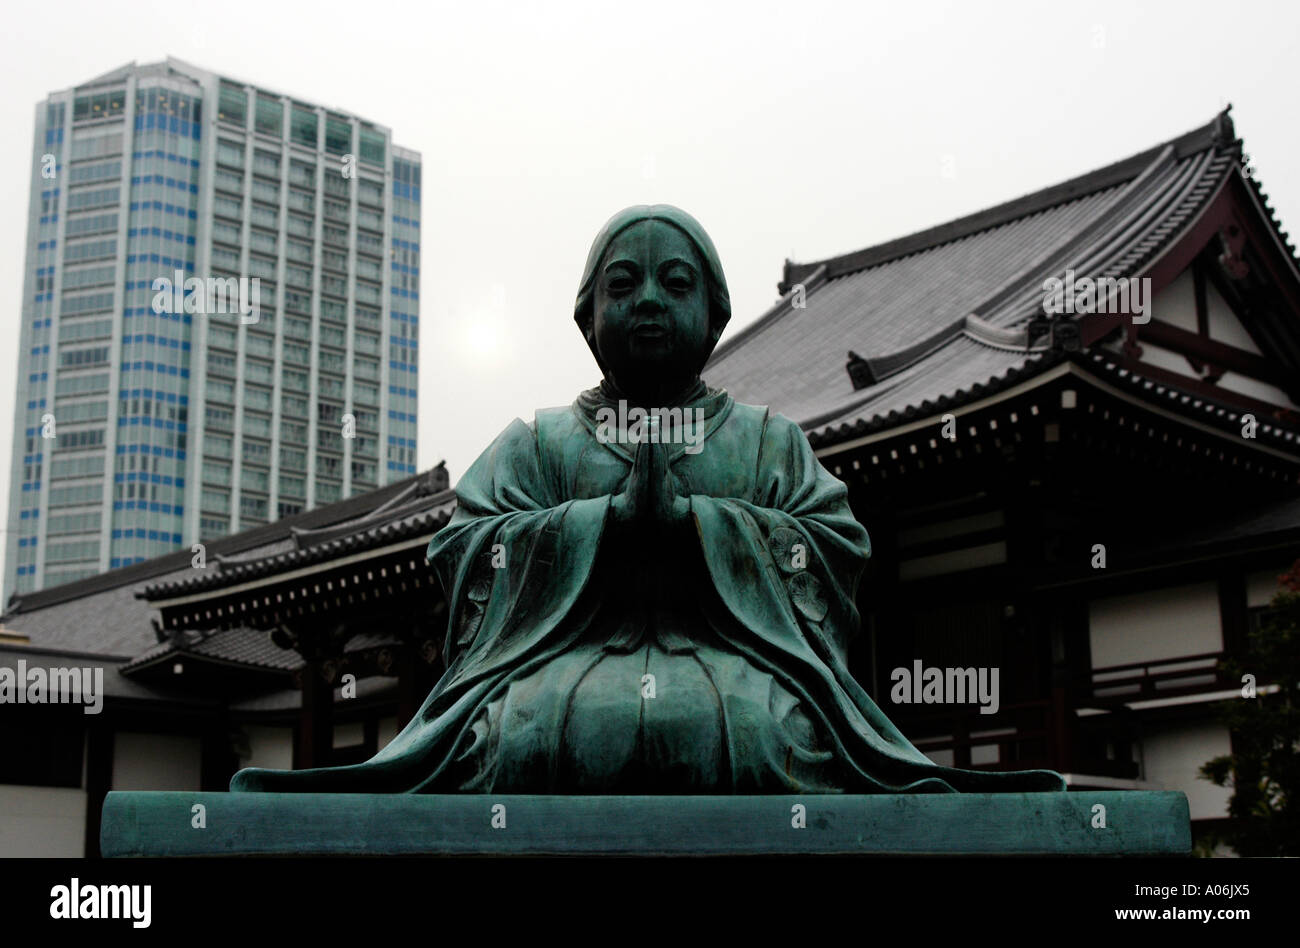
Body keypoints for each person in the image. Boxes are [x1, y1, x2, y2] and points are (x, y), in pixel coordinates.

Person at [231, 205, 1065, 794]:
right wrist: (604, 526)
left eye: (676, 283)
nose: (652, 301)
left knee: (783, 734)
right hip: (552, 676)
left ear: (714, 315)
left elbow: (835, 547)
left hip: (746, 677)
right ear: (589, 319)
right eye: (625, 285)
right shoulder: (538, 442)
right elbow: (464, 549)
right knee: (506, 737)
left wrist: (700, 526)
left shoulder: (769, 440)